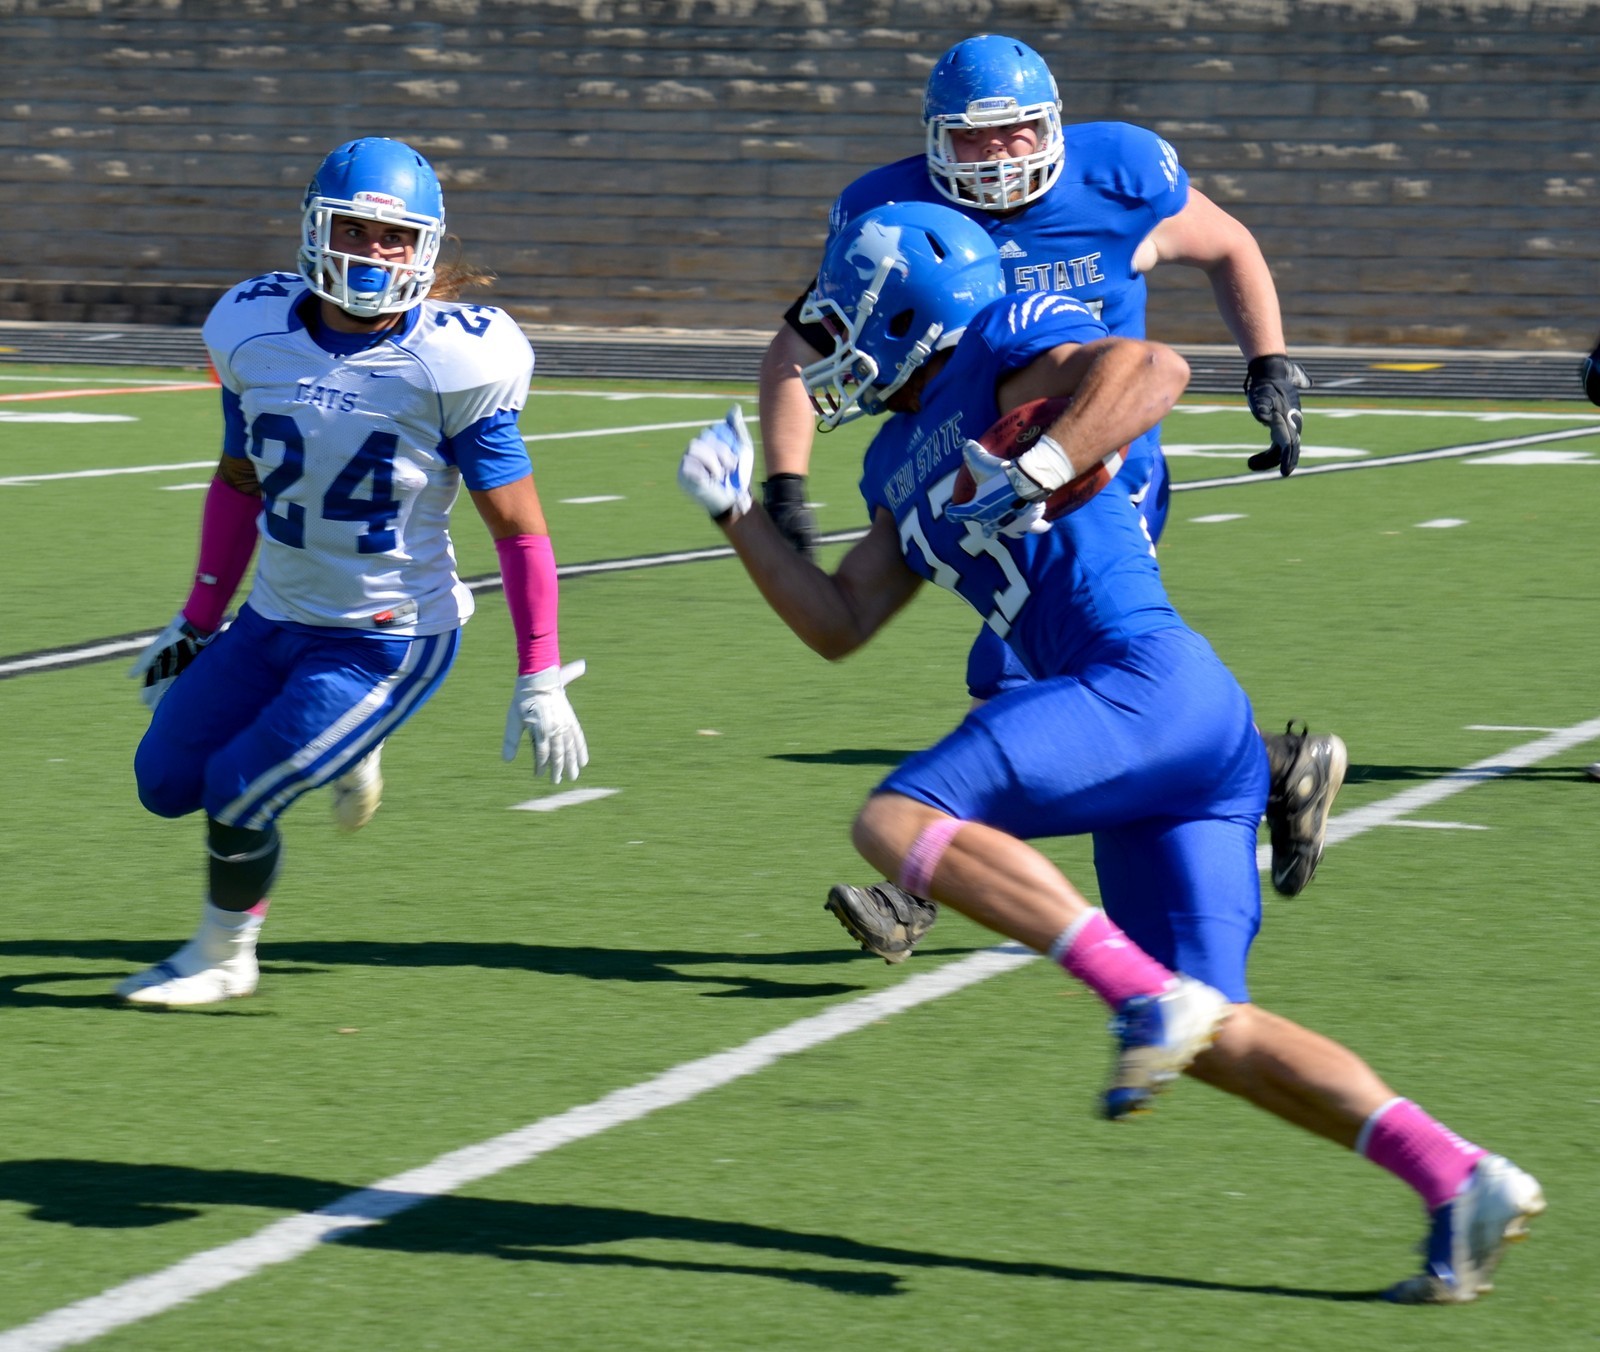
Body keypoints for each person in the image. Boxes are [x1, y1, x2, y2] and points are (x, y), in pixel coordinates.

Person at [678, 201, 1542, 1304]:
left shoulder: (1000, 342)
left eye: (845, 316)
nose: (828, 344)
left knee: (895, 822)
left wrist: (1036, 462)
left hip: (1135, 680)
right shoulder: (898, 454)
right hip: (1178, 736)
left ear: (906, 308)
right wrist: (739, 515)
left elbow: (1153, 365)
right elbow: (842, 619)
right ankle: (1457, 1177)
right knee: (1219, 1030)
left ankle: (1139, 999)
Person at [755, 33, 1342, 960]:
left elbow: (1227, 248)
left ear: (1054, 126)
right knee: (1044, 651)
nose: (1001, 157)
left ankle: (924, 879)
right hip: (963, 433)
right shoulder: (891, 210)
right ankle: (1267, 764)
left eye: (1019, 133)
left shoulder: (1118, 172)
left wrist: (1267, 362)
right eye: (976, 140)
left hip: (1104, 444)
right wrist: (780, 481)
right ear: (935, 140)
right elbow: (802, 340)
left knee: (1028, 662)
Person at [121, 136, 588, 1007]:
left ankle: (226, 955)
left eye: (395, 238)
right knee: (164, 782)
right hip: (274, 617)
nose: (373, 254)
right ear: (313, 229)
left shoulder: (455, 363)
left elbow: (519, 533)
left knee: (237, 789)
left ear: (425, 249)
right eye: (355, 230)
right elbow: (239, 480)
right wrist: (196, 618)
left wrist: (540, 673)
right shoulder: (251, 329)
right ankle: (346, 744)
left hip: (387, 638)